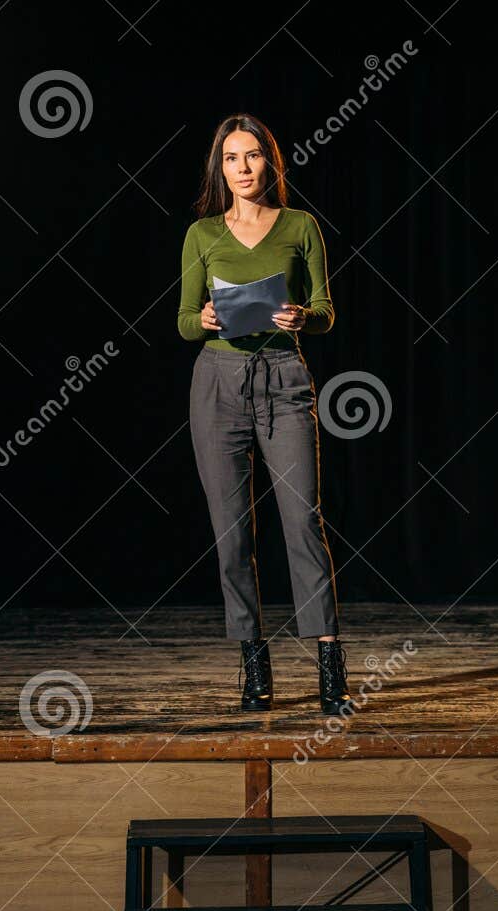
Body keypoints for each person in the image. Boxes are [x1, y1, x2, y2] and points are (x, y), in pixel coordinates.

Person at [176, 113, 352, 716]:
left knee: (302, 523)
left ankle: (331, 670)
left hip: (283, 379)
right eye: (230, 158)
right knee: (232, 536)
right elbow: (180, 320)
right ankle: (255, 670)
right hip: (218, 384)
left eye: (252, 156)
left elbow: (328, 310)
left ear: (269, 162)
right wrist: (201, 320)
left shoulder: (299, 226)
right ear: (218, 167)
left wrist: (304, 316)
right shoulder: (202, 233)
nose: (242, 168)